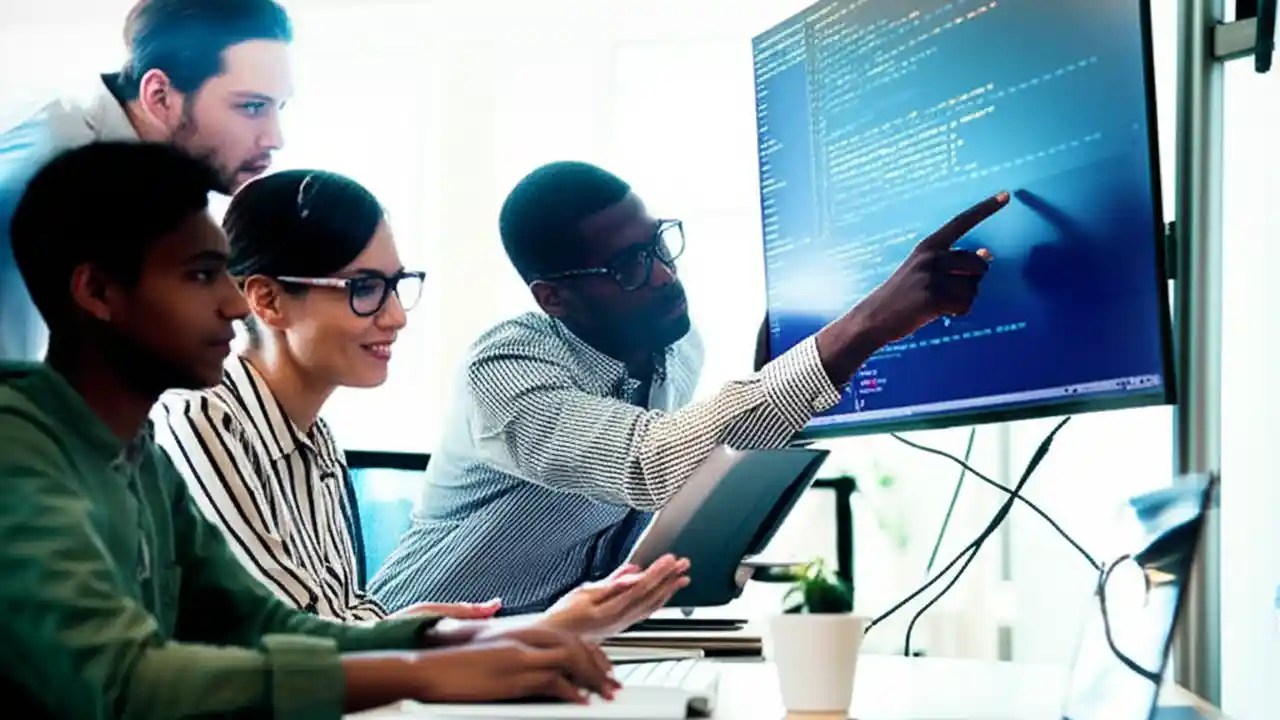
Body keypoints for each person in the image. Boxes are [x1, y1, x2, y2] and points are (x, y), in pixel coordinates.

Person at [0, 143, 635, 719]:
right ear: (97, 292)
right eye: (199, 276)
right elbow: (123, 682)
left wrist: (468, 639)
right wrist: (423, 671)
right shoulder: (18, 450)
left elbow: (262, 622)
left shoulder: (136, 454)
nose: (232, 303)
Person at [370, 161, 1008, 613]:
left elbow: (681, 479)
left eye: (658, 243)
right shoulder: (505, 370)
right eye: (628, 265)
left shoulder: (679, 346)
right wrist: (863, 327)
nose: (664, 274)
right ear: (554, 297)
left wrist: (783, 381)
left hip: (560, 640)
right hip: (414, 649)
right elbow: (650, 464)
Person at [153, 169, 690, 630]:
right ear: (268, 301)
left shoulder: (312, 439)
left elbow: (348, 622)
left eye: (396, 284)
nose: (396, 316)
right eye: (364, 289)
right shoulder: (202, 422)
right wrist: (545, 631)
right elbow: (304, 648)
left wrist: (540, 632)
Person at [0, 0, 293, 361]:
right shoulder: (44, 170)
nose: (274, 138)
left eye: (278, 108)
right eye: (251, 107)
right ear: (159, 97)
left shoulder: (143, 181)